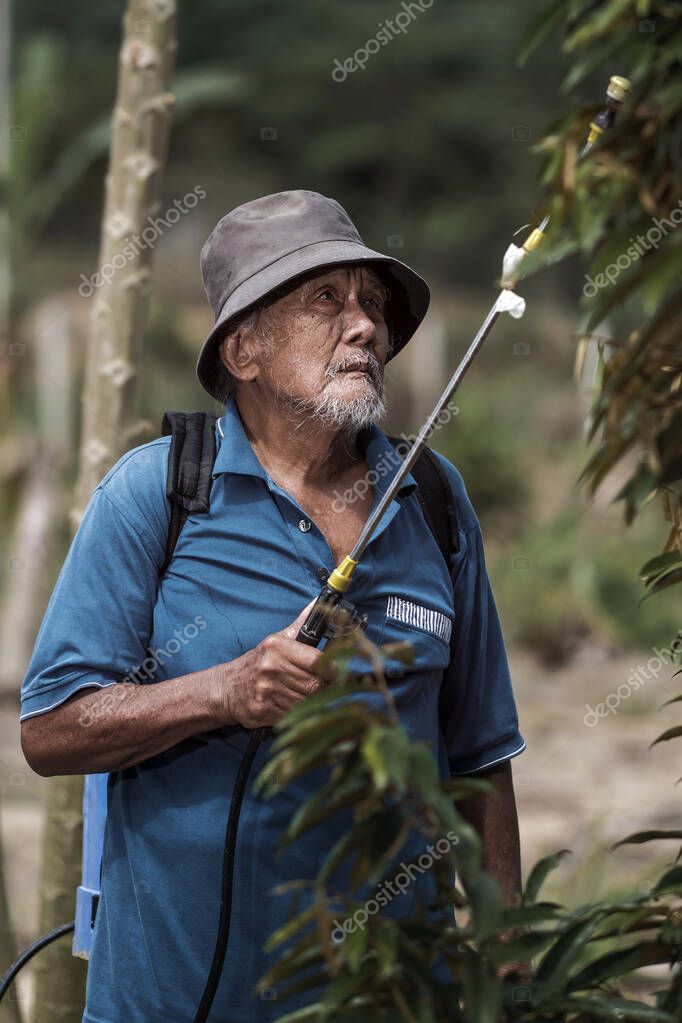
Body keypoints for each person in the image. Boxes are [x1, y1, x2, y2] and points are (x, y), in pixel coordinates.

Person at [20, 189, 526, 1022]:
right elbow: (50, 728)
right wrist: (223, 690)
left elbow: (481, 754)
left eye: (371, 303)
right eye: (325, 300)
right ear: (244, 351)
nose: (364, 326)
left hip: (392, 997)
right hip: (177, 1000)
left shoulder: (431, 498)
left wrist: (505, 961)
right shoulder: (156, 494)